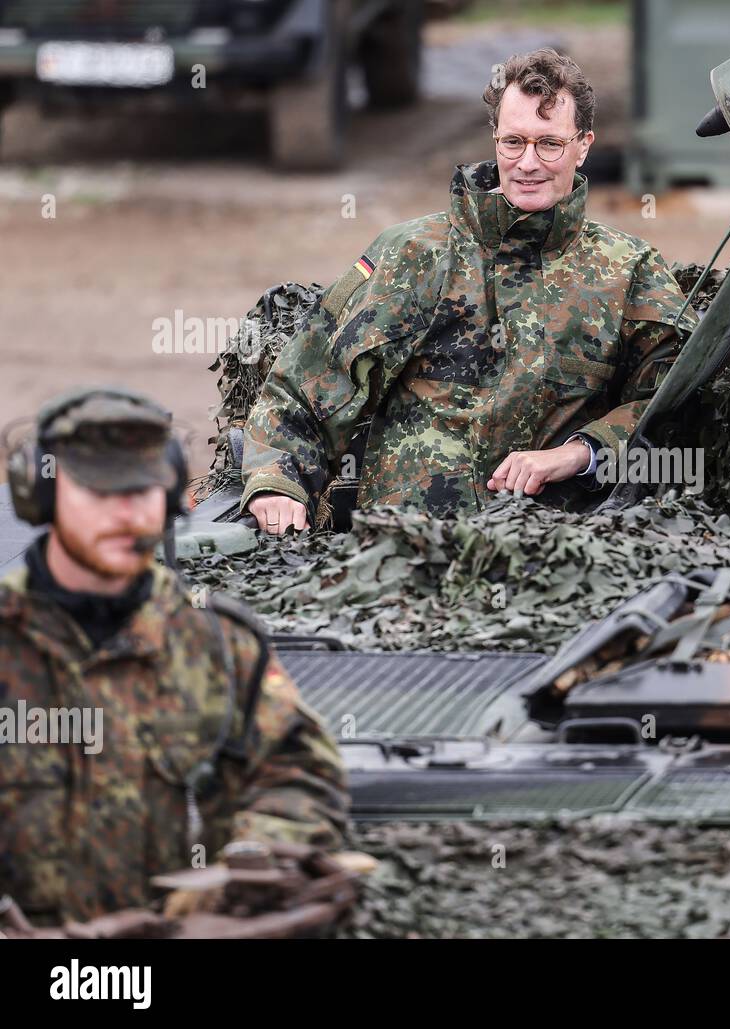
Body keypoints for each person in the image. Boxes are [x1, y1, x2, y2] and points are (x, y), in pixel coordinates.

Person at [242, 47, 692, 534]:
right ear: (494, 139)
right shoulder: (411, 253)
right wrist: (275, 483)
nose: (528, 164)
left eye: (549, 145)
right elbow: (306, 385)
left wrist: (578, 454)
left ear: (584, 146)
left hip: (557, 553)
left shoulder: (628, 269)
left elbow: (671, 399)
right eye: (514, 142)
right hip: (404, 549)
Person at [0, 386, 348, 924]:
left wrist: (252, 865)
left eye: (142, 493)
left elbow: (297, 774)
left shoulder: (218, 644)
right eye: (99, 494)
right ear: (40, 499)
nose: (125, 515)